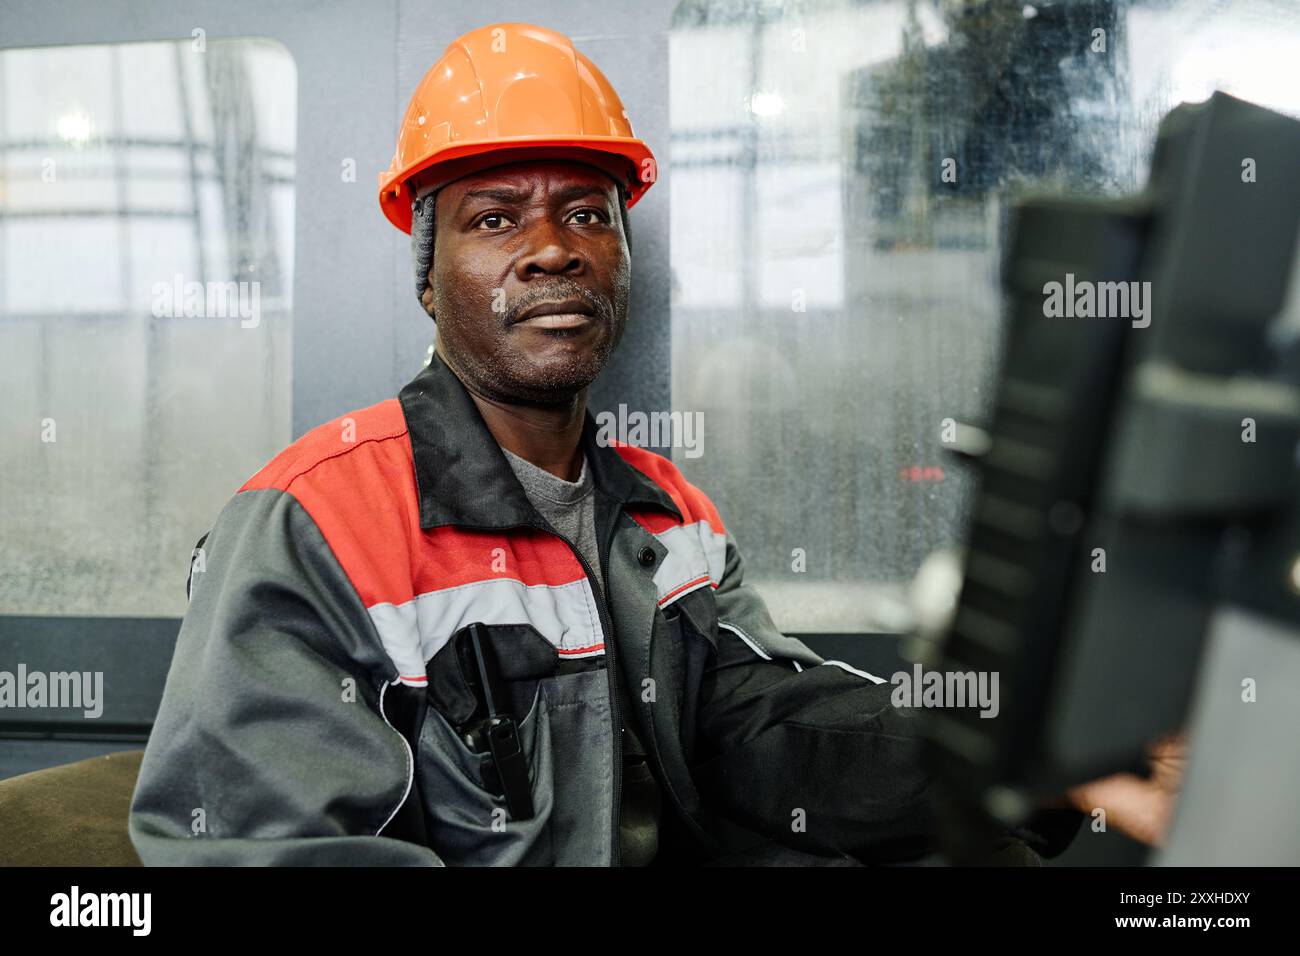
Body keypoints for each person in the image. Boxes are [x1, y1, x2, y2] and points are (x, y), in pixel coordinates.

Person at [128, 21, 1169, 866]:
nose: (549, 249)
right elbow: (263, 850)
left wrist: (1034, 745)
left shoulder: (667, 517)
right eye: (494, 220)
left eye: (588, 213)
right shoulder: (318, 520)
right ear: (425, 274)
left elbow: (767, 731)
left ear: (622, 259)